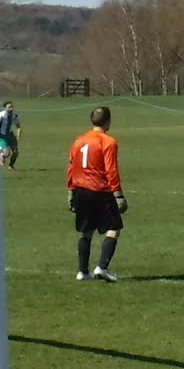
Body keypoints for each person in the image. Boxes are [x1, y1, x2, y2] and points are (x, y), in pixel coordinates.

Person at [66, 105, 126, 282]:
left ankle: (82, 272)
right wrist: (118, 195)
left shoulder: (79, 141)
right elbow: (111, 170)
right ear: (108, 121)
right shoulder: (108, 142)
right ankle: (102, 267)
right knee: (113, 228)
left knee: (87, 231)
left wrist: (70, 191)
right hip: (100, 190)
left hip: (80, 190)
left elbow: (71, 166)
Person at [0, 100, 23, 172]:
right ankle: (2, 155)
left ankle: (10, 166)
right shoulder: (0, 115)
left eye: (12, 107)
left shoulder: (14, 115)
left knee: (15, 152)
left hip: (10, 135)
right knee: (7, 153)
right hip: (2, 136)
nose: (11, 108)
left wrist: (18, 134)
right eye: (9, 107)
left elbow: (18, 126)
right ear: (5, 108)